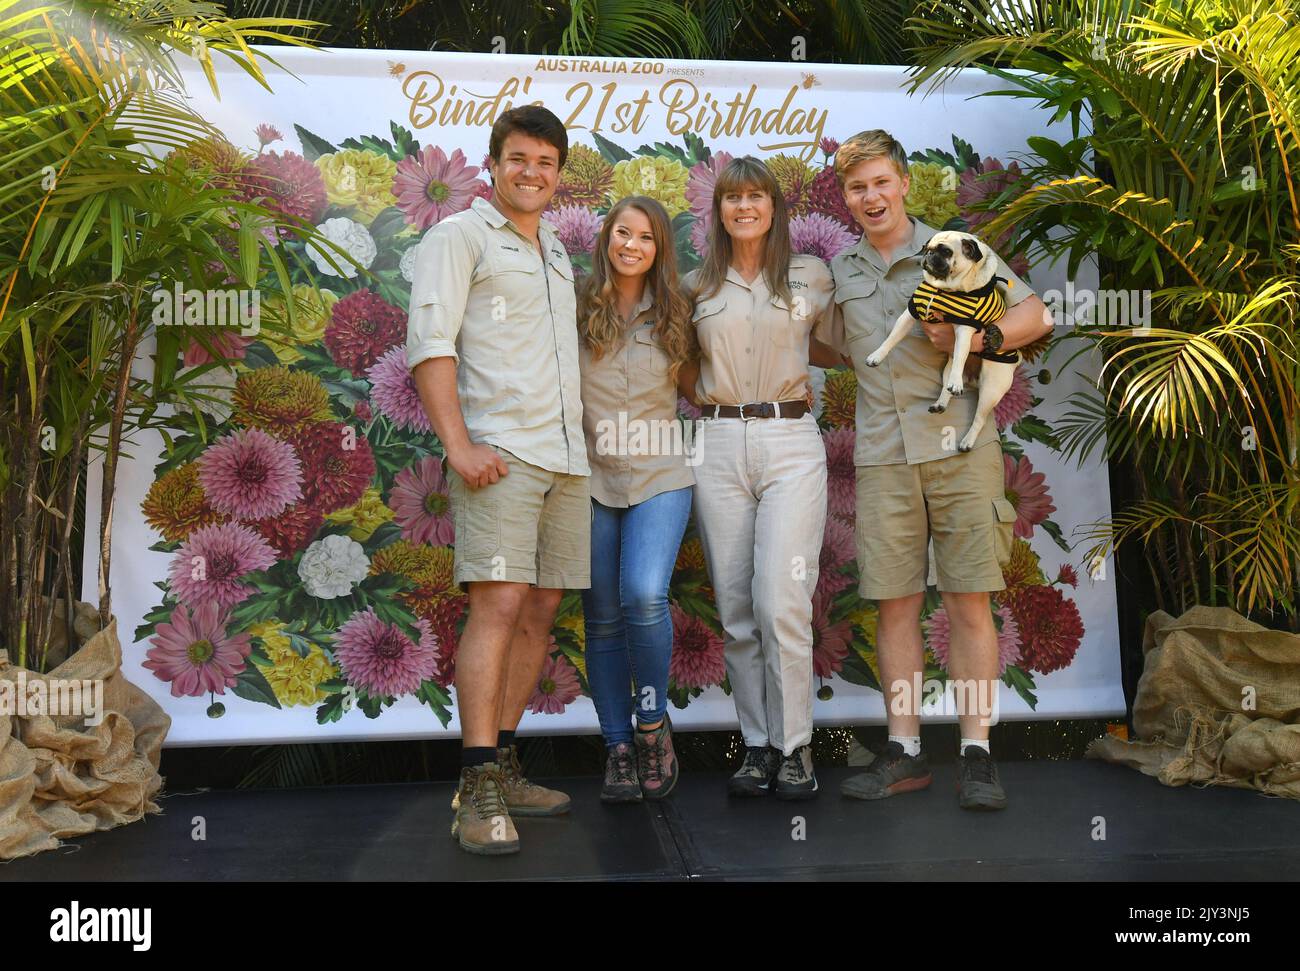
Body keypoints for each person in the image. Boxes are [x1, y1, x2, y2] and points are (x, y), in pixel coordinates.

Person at [816, 129, 1052, 810]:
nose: (871, 196)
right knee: (894, 604)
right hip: (885, 458)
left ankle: (976, 752)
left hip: (959, 452)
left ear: (903, 183)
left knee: (969, 600)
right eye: (857, 187)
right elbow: (829, 349)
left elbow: (1034, 311)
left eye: (881, 182)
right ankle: (906, 750)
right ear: (846, 196)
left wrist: (981, 339)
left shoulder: (960, 250)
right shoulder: (844, 273)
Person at [407, 105, 589, 855]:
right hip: (501, 454)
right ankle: (475, 784)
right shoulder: (459, 237)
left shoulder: (554, 250)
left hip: (566, 458)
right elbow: (430, 340)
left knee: (541, 608)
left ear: (558, 174)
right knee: (499, 603)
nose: (532, 172)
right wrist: (459, 445)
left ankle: (506, 762)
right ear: (493, 164)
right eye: (519, 158)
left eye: (546, 162)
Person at [678, 156, 843, 799]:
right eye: (732, 197)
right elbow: (680, 365)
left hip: (790, 437)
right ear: (718, 210)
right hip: (719, 439)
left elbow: (838, 344)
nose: (744, 206)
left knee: (782, 602)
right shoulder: (697, 284)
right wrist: (714, 405)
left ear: (775, 207)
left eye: (756, 196)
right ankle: (756, 745)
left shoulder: (811, 275)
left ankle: (797, 747)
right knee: (737, 608)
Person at [578, 196, 696, 803]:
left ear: (659, 250)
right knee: (600, 616)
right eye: (623, 232)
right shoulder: (575, 306)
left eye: (646, 237)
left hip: (661, 474)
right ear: (606, 239)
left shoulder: (678, 311)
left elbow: (705, 385)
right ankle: (618, 746)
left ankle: (653, 728)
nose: (632, 245)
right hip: (591, 479)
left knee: (644, 596)